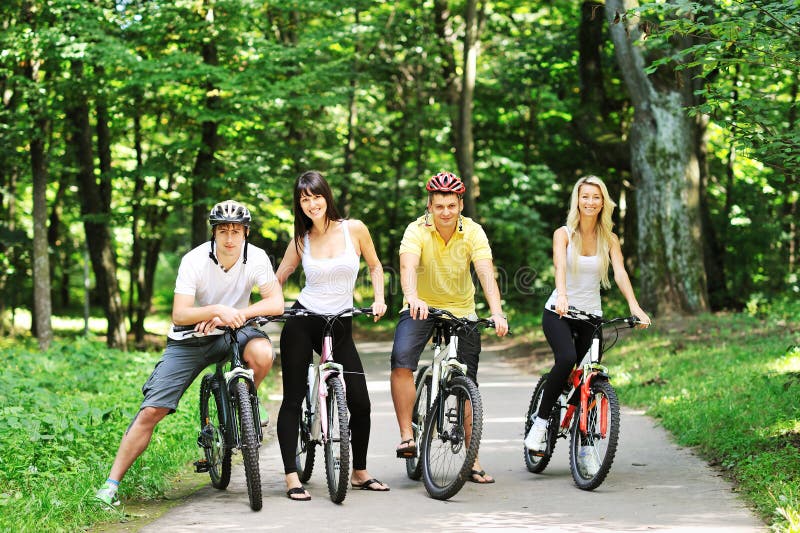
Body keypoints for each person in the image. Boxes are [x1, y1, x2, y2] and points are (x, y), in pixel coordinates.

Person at [94, 200, 284, 508]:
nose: (230, 238)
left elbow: (276, 303)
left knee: (263, 352)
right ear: (214, 232)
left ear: (246, 232)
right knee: (151, 411)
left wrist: (235, 315)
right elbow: (180, 314)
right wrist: (216, 311)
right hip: (190, 339)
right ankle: (109, 486)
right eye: (223, 231)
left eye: (236, 231)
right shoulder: (194, 260)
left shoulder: (257, 257)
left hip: (234, 331)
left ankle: (246, 402)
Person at [275, 170, 389, 501]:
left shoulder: (354, 229)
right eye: (304, 199)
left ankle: (359, 472)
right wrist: (265, 306)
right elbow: (279, 277)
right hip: (303, 321)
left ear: (327, 196)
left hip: (339, 324)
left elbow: (375, 266)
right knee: (293, 399)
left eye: (316, 196)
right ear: (299, 205)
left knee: (361, 402)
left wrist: (379, 298)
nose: (312, 204)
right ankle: (291, 477)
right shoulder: (302, 240)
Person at [390, 171, 509, 484]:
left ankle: (472, 459)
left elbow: (485, 273)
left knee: (469, 383)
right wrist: (412, 297)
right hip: (421, 306)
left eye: (451, 206)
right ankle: (407, 435)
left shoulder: (473, 232)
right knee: (401, 361)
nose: (445, 212)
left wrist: (497, 312)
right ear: (430, 205)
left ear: (461, 205)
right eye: (439, 206)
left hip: (462, 310)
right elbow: (407, 266)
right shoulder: (416, 229)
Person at [524, 175, 650, 464]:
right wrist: (563, 295)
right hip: (559, 311)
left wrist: (635, 306)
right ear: (577, 200)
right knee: (567, 359)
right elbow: (559, 266)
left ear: (603, 202)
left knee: (589, 380)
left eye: (596, 197)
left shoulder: (610, 239)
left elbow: (620, 273)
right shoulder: (564, 234)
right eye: (585, 196)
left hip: (591, 317)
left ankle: (585, 449)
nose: (590, 202)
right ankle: (540, 424)